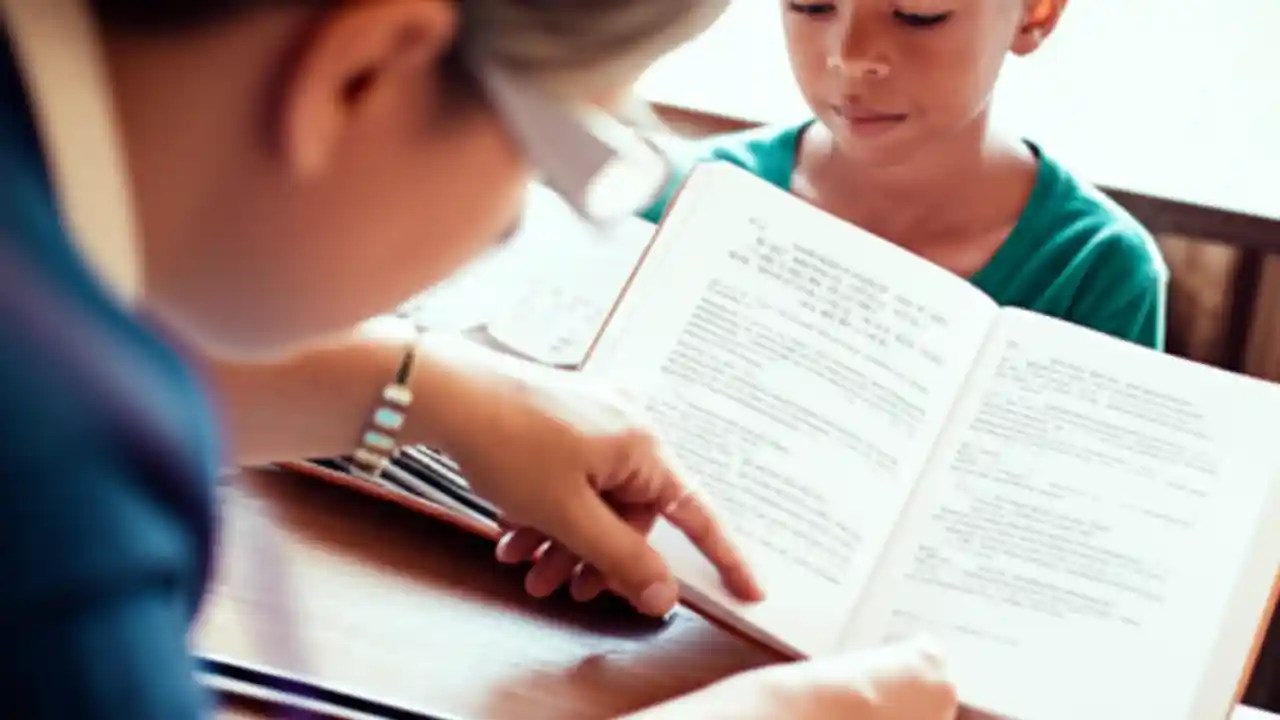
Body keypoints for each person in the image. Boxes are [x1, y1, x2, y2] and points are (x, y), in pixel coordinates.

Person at [0, 0, 957, 718]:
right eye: (571, 150)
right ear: (365, 72)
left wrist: (427, 389)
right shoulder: (61, 499)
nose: (512, 221)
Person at [642, 0, 1169, 349]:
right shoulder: (682, 201)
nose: (850, 57)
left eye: (919, 13)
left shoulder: (1095, 268)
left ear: (1035, 12)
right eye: (811, 4)